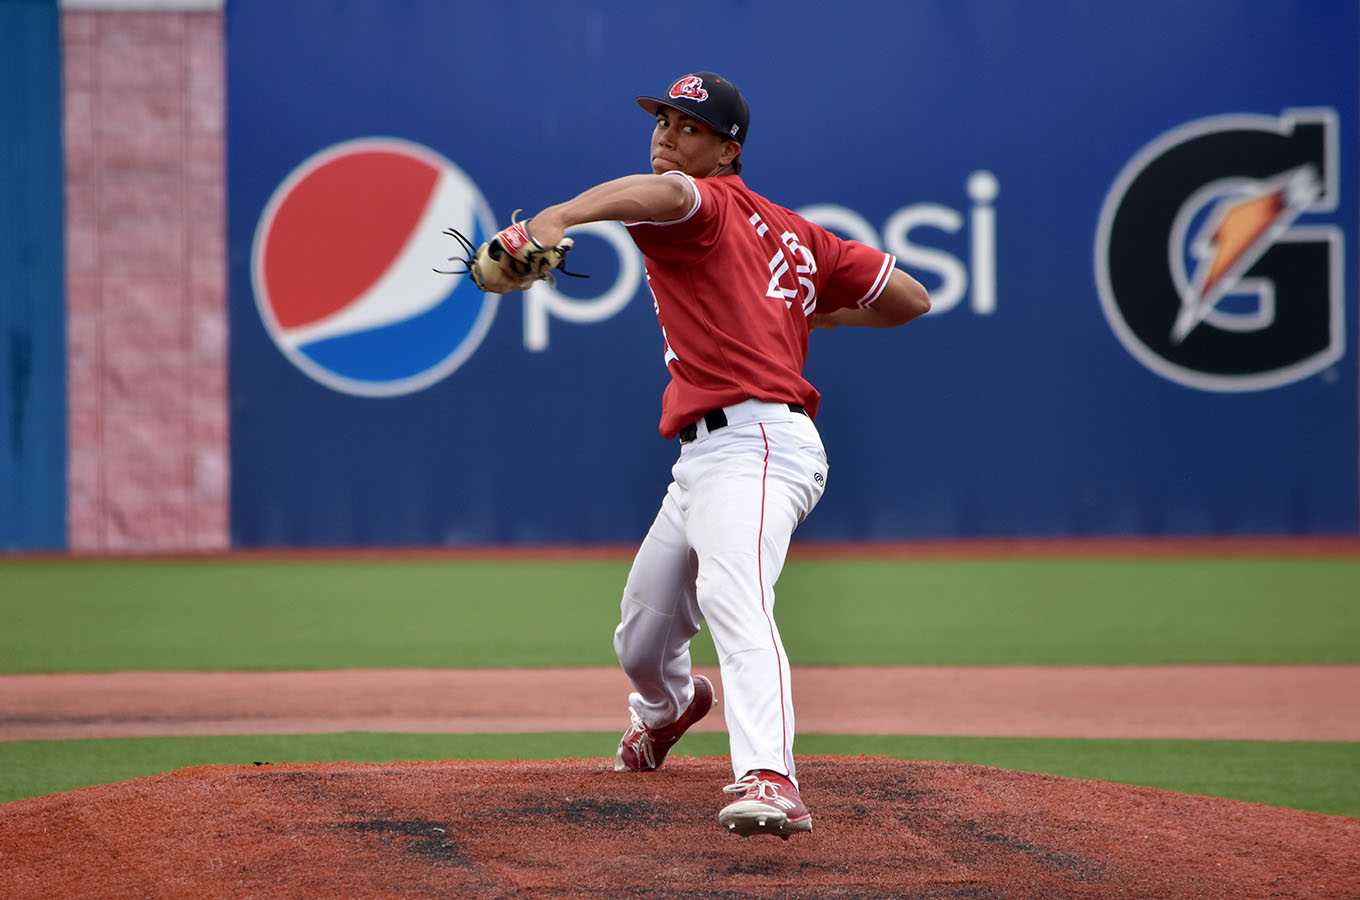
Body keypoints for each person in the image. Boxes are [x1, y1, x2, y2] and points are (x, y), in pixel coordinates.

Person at [500, 71, 930, 838]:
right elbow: (909, 299)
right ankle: (669, 708)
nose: (668, 135)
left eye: (689, 127)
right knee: (641, 636)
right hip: (703, 459)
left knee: (736, 597)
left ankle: (771, 777)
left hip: (760, 444)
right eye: (663, 120)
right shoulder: (802, 234)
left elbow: (660, 195)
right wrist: (824, 315)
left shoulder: (699, 201)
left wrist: (557, 217)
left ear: (729, 150)